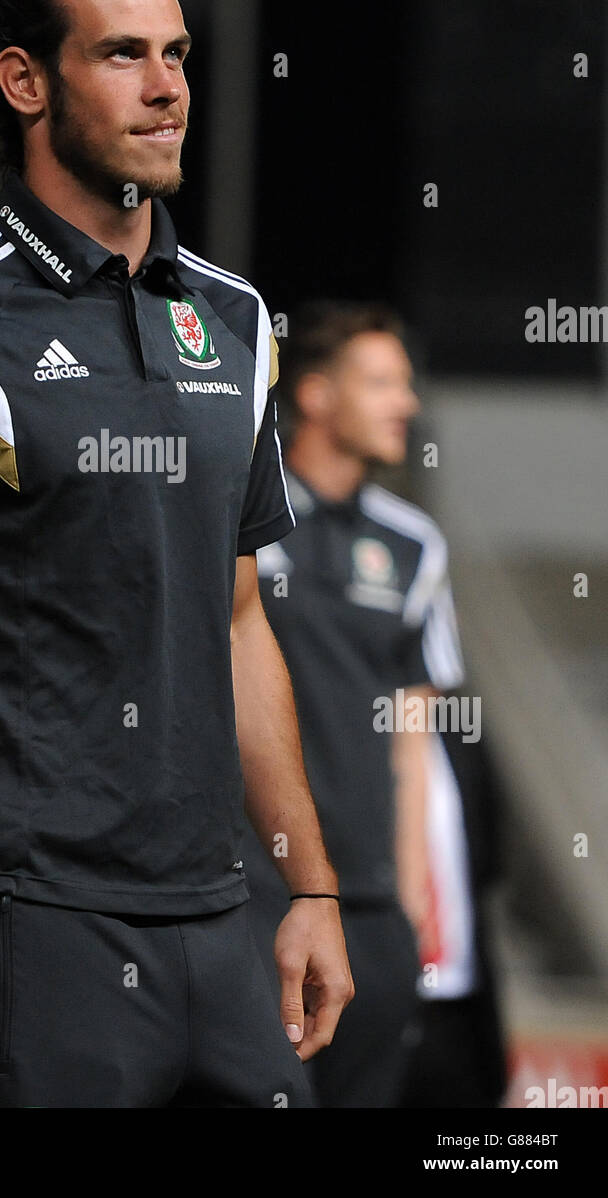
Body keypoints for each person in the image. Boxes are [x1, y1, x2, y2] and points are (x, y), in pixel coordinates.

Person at [0, 0, 352, 1109]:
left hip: (220, 915)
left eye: (179, 53)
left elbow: (239, 618)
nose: (168, 91)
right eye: (122, 55)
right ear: (25, 79)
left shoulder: (239, 321)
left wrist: (308, 885)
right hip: (22, 919)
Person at [240, 301, 502, 1108]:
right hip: (252, 899)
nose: (407, 403)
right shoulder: (232, 512)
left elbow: (413, 740)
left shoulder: (415, 543)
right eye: (384, 382)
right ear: (316, 395)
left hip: (374, 913)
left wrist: (411, 905)